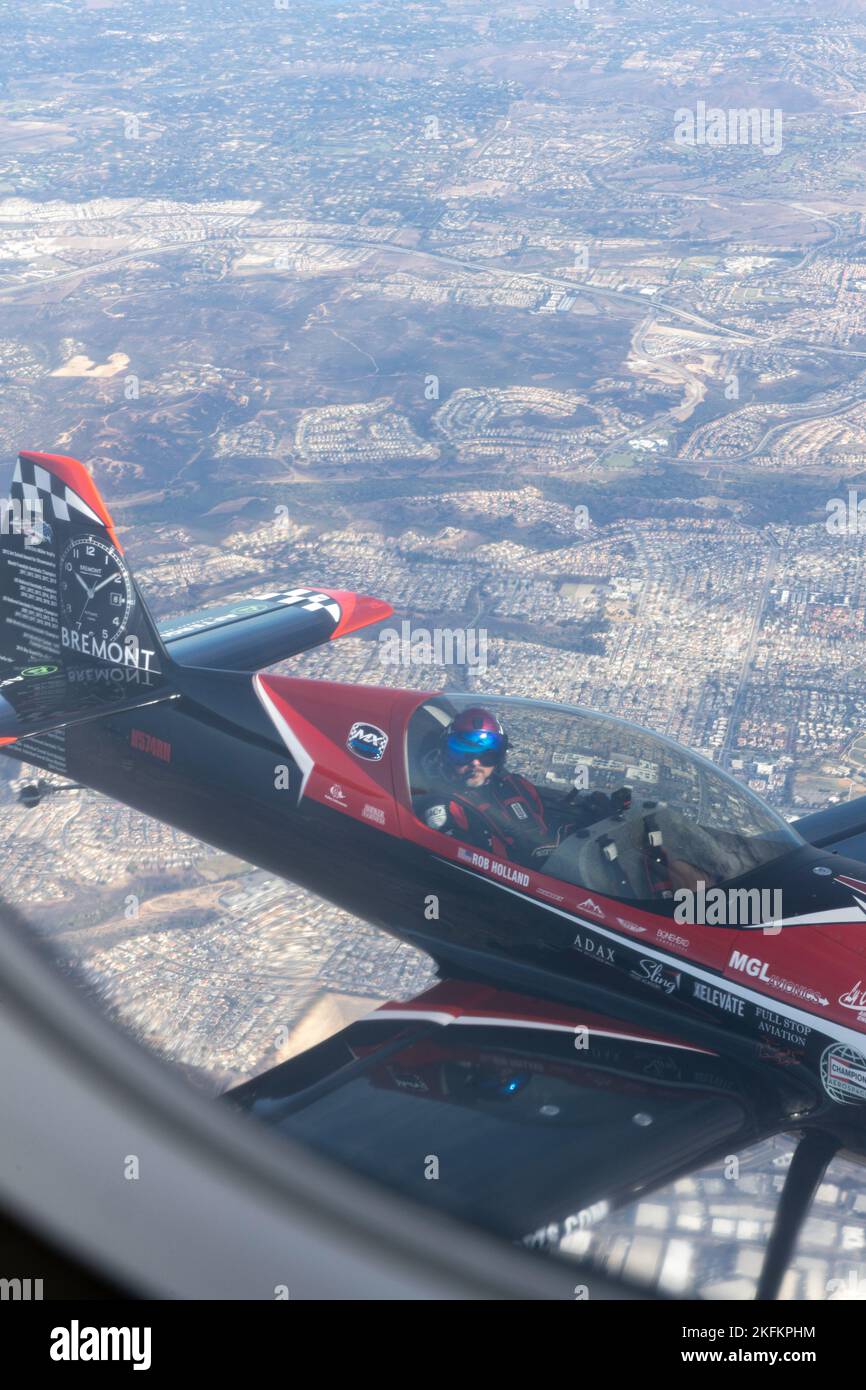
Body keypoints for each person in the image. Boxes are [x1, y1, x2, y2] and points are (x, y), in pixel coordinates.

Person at [415, 706, 559, 867]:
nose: (475, 763)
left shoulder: (518, 786)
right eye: (462, 754)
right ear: (446, 756)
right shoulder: (445, 808)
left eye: (487, 755)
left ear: (499, 757)